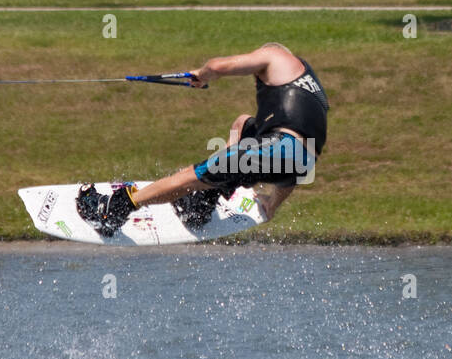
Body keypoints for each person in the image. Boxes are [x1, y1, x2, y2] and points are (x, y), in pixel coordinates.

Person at [77, 43, 328, 237]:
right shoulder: (311, 89)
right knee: (243, 123)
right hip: (299, 163)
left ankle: (114, 210)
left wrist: (204, 74)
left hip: (274, 151)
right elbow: (298, 158)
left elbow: (219, 66)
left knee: (191, 175)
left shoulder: (275, 54)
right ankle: (201, 204)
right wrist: (273, 205)